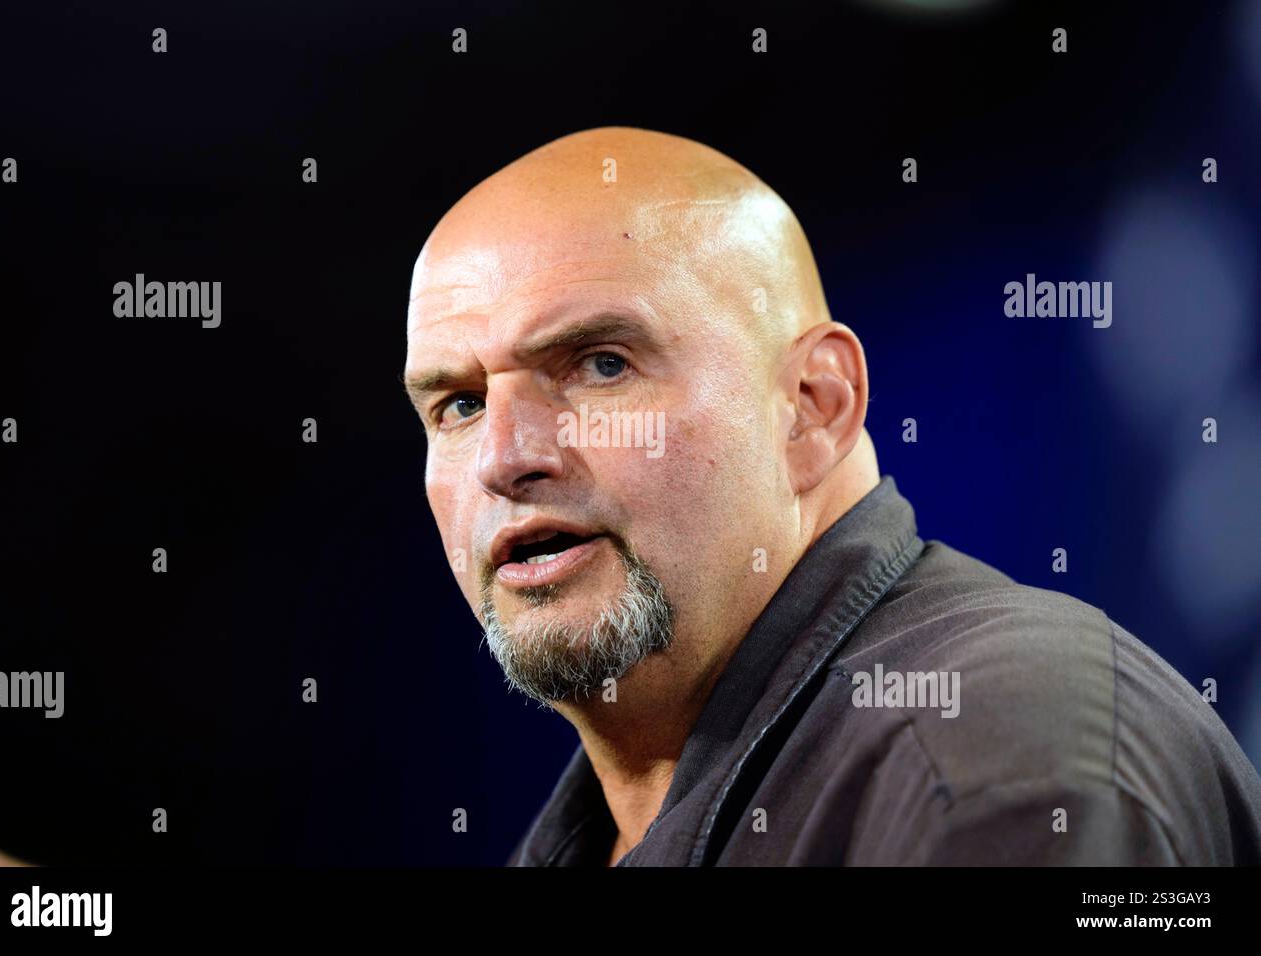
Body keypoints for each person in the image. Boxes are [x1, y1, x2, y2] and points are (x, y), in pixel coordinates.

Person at [403, 125, 1261, 866]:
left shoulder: (987, 758)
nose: (505, 458)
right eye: (461, 405)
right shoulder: (599, 825)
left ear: (816, 406)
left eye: (601, 365)